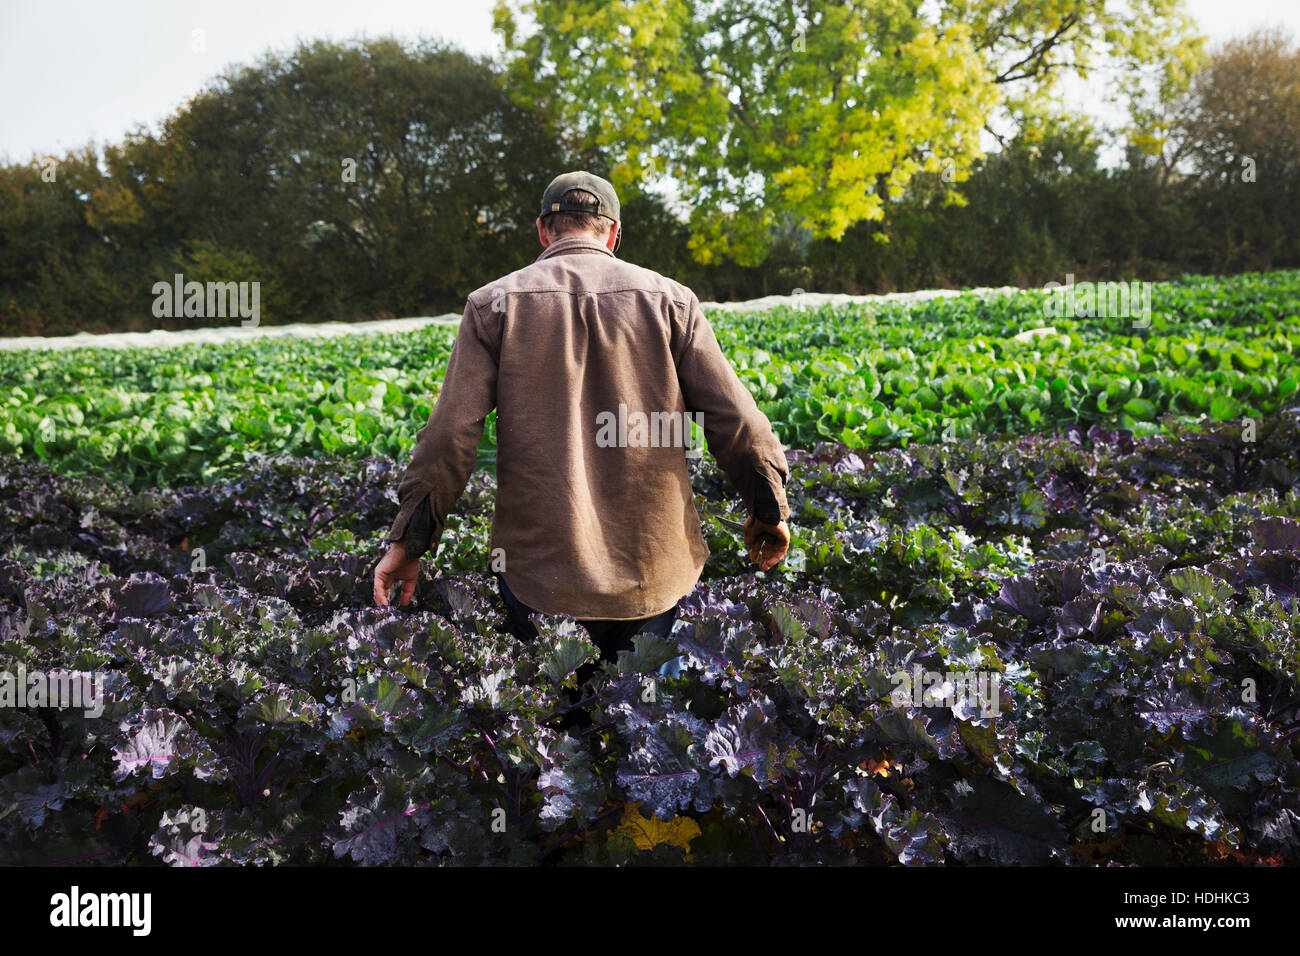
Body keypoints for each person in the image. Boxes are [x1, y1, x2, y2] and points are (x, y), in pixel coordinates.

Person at [372, 170, 791, 678]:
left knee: (553, 734)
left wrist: (409, 542)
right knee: (644, 731)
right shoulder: (672, 301)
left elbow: (447, 439)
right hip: (655, 571)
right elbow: (738, 422)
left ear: (543, 231)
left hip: (539, 577)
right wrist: (768, 509)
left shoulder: (492, 306)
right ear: (613, 234)